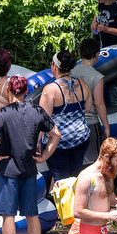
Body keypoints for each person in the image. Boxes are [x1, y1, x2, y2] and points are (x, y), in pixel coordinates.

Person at [0, 75, 61, 234]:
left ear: (9, 91)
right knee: (32, 215)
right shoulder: (38, 111)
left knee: (8, 216)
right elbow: (56, 134)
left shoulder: (4, 113)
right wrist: (44, 156)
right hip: (29, 170)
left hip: (7, 172)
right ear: (26, 92)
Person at [39, 49, 93, 182]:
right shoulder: (82, 84)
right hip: (81, 138)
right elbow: (88, 108)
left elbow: (42, 120)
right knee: (74, 177)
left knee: (60, 180)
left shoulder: (50, 90)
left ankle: (64, 202)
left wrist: (36, 142)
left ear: (55, 67)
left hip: (59, 143)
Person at [73, 38, 111, 145]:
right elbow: (99, 103)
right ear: (97, 54)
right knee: (93, 160)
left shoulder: (70, 73)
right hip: (90, 123)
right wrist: (106, 126)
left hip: (71, 123)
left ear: (80, 53)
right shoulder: (97, 76)